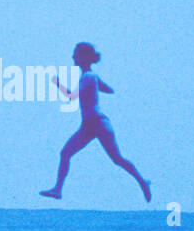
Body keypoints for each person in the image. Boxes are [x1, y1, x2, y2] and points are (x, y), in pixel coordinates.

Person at [40, 43, 151, 202]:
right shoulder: (91, 77)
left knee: (117, 159)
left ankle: (142, 181)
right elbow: (109, 90)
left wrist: (57, 83)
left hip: (98, 123)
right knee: (66, 153)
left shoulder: (88, 77)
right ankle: (57, 190)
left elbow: (71, 96)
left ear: (84, 57)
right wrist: (96, 88)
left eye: (76, 54)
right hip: (88, 125)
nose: (73, 57)